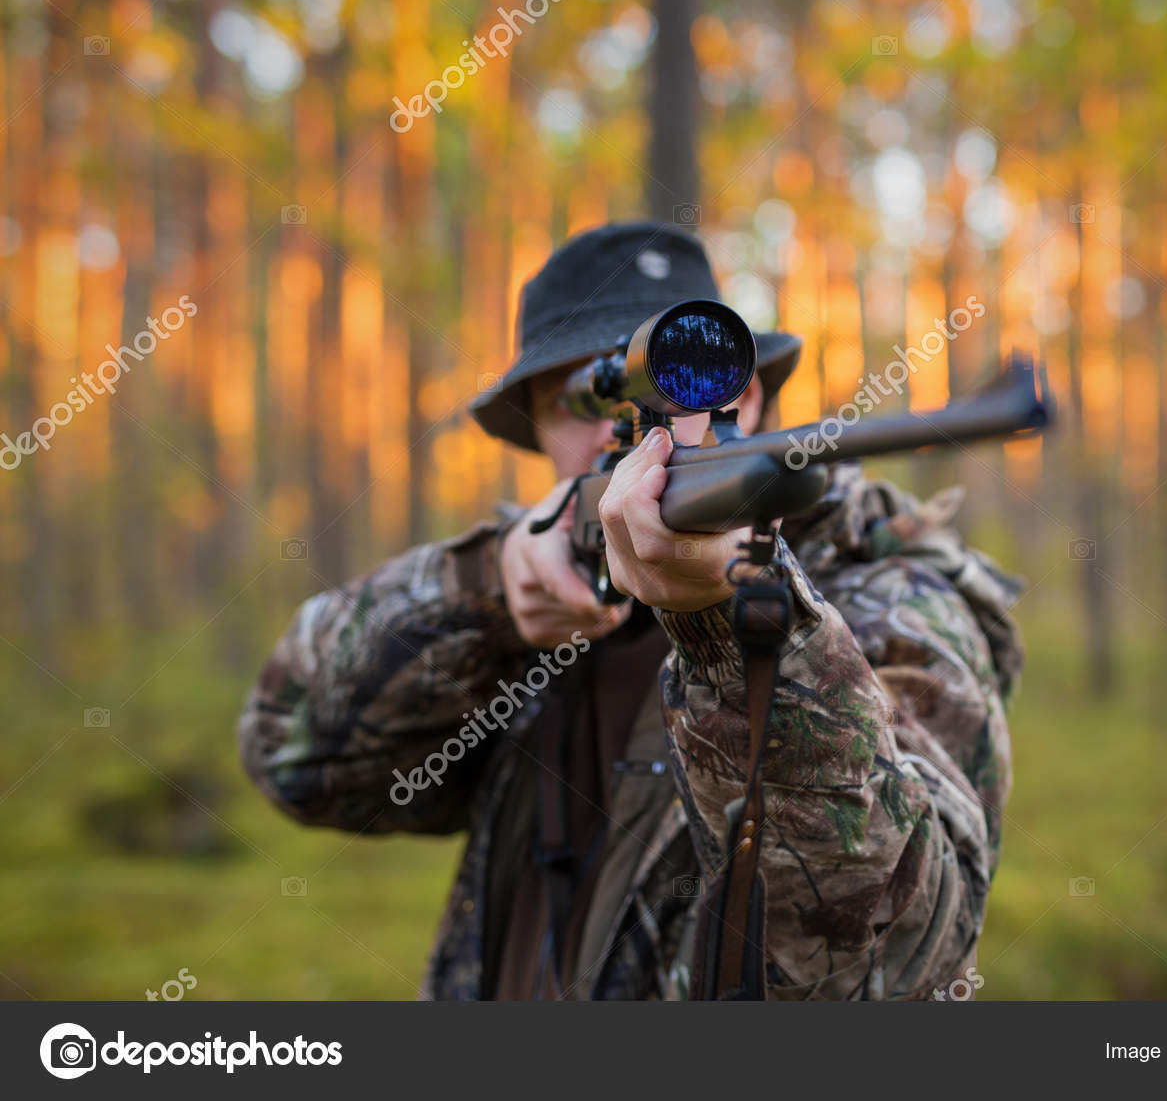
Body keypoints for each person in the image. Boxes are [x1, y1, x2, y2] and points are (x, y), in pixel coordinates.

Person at [238, 220, 1024, 1000]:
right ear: (538, 427)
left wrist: (737, 627)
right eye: (579, 399)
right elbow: (293, 756)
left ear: (742, 396)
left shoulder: (892, 588)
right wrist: (484, 594)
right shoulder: (524, 586)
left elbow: (893, 961)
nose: (628, 429)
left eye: (673, 385)